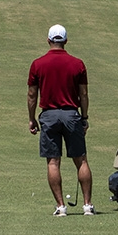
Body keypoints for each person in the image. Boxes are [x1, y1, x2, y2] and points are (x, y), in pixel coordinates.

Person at [27, 24, 93, 216]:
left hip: (48, 115)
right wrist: (85, 117)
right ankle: (87, 205)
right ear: (65, 41)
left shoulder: (38, 64)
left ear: (48, 40)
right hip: (72, 114)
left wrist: (32, 119)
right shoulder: (78, 63)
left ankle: (60, 206)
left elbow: (32, 95)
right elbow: (84, 94)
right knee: (81, 160)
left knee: (53, 162)